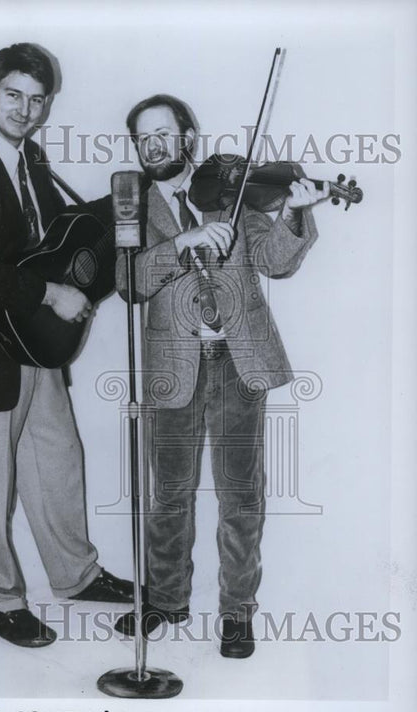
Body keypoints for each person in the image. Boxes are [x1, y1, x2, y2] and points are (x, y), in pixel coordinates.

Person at [0, 43, 133, 649]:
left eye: (37, 99)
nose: (25, 108)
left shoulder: (32, 159)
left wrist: (132, 192)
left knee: (57, 463)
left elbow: (53, 239)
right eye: (13, 94)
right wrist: (49, 293)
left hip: (33, 344)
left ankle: (74, 576)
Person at [114, 94, 329, 657]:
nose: (156, 145)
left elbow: (275, 261)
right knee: (169, 494)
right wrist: (181, 243)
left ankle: (236, 612)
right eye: (145, 138)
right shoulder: (128, 204)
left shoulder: (228, 192)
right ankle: (164, 599)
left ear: (188, 136)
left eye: (166, 133)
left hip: (238, 362)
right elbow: (128, 282)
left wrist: (294, 213)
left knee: (240, 493)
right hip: (170, 366)